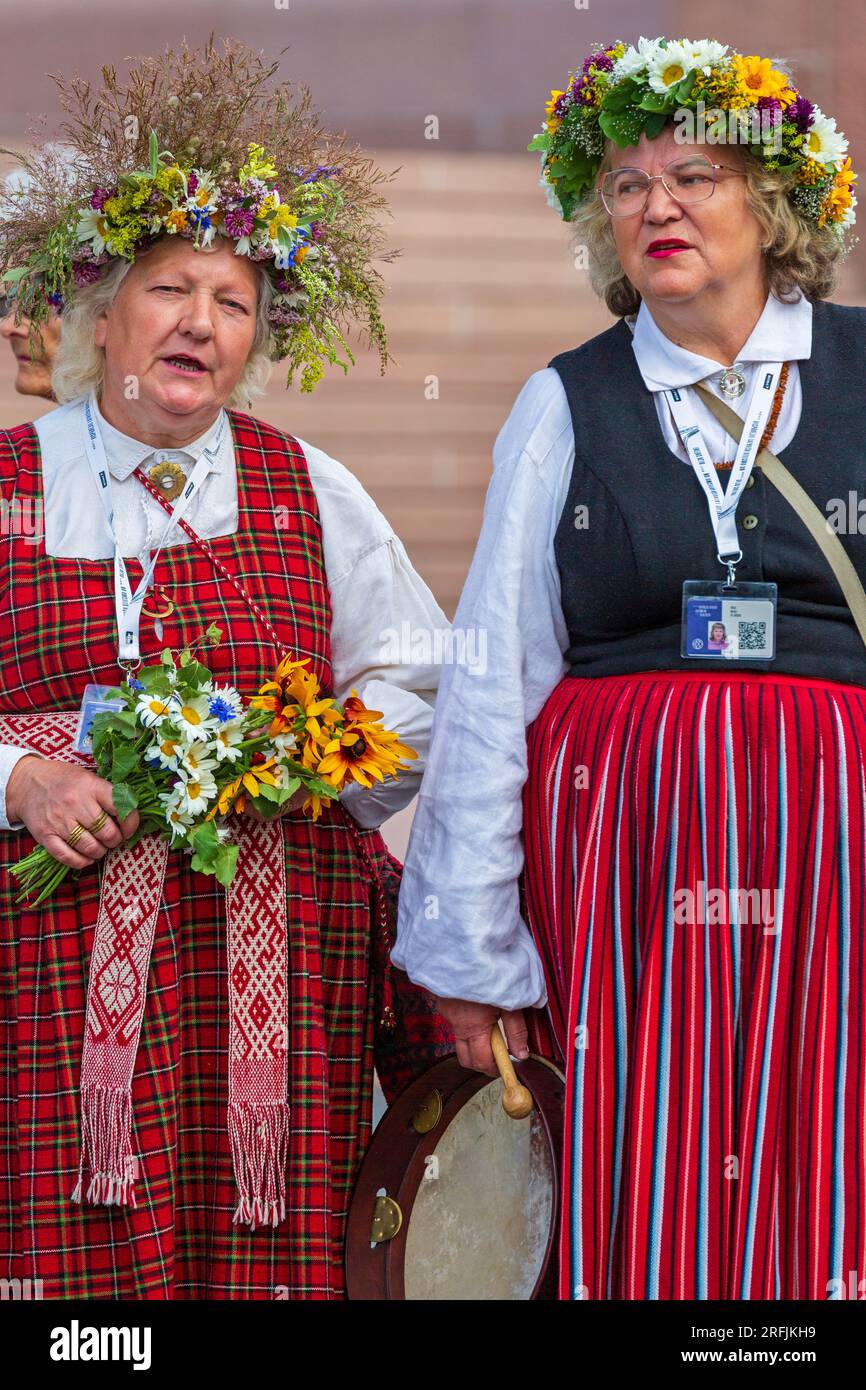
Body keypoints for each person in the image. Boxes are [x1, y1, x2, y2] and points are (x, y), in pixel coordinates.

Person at [393, 35, 865, 1300]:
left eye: (693, 174)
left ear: (770, 205)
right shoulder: (564, 404)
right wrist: (472, 949)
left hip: (838, 845)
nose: (655, 205)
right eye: (624, 184)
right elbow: (495, 676)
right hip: (624, 858)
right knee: (638, 1132)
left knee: (834, 1123)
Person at [0, 39, 451, 1300]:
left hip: (275, 954)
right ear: (102, 314)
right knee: (68, 1288)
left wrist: (315, 759)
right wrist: (22, 778)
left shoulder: (311, 487)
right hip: (43, 948)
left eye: (236, 300)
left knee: (260, 1260)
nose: (203, 321)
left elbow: (414, 677)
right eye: (171, 290)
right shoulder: (8, 483)